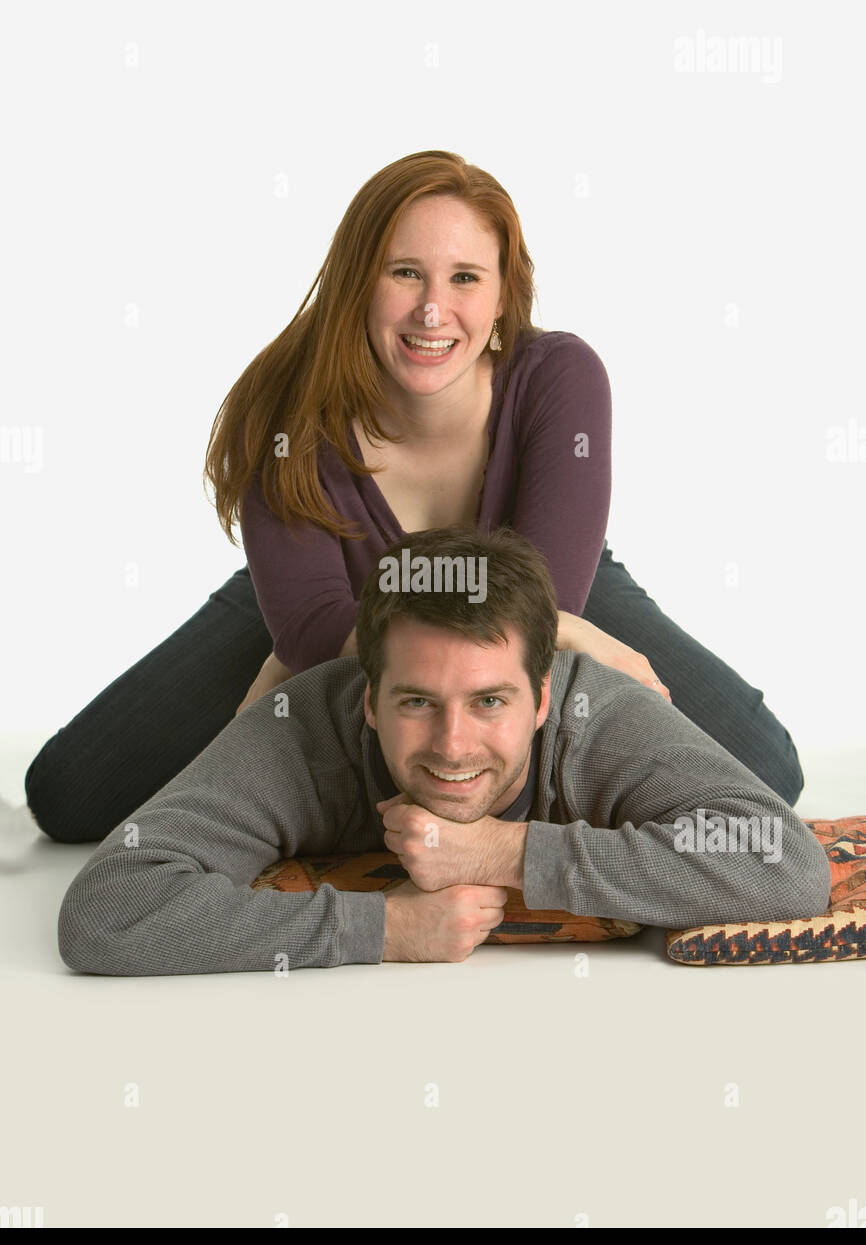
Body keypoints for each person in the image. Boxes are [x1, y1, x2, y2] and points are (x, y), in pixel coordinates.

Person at [27, 150, 804, 845]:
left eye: (465, 278)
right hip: (321, 588)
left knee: (765, 770)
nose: (433, 311)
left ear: (503, 296)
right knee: (70, 795)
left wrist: (575, 631)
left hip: (548, 592)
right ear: (357, 280)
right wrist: (295, 639)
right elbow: (314, 622)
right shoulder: (286, 405)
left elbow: (528, 615)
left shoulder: (561, 378)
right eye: (405, 273)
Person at [56, 525, 830, 976]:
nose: (453, 746)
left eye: (490, 701)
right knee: (66, 790)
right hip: (310, 575)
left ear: (543, 698)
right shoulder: (304, 726)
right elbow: (107, 907)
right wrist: (383, 929)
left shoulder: (600, 712)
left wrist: (504, 852)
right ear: (368, 698)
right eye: (417, 702)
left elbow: (788, 864)